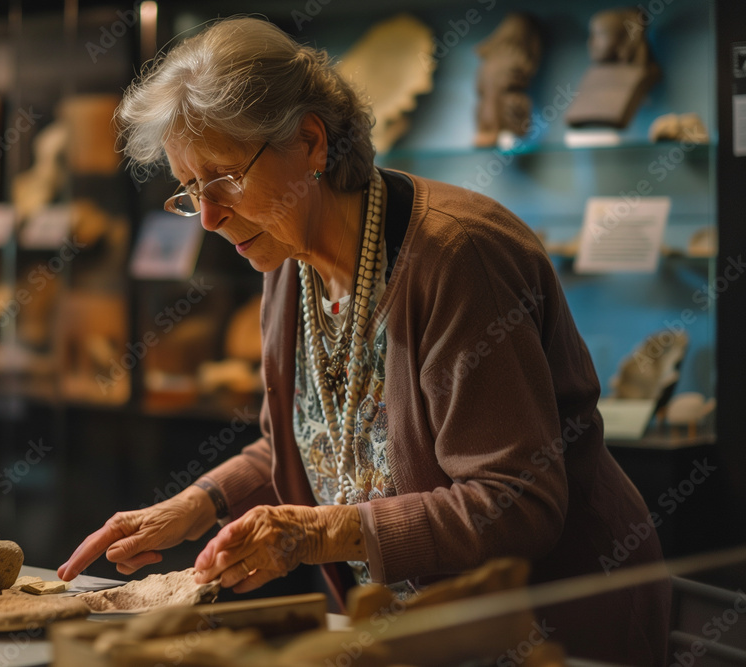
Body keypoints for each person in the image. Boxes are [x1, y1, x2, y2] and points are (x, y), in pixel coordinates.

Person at [58, 17, 669, 665]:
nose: (207, 216)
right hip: (418, 634)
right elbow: (304, 442)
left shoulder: (457, 258)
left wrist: (317, 530)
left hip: (549, 630)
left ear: (311, 141)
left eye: (224, 177)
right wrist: (195, 503)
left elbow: (515, 504)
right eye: (190, 190)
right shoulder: (286, 258)